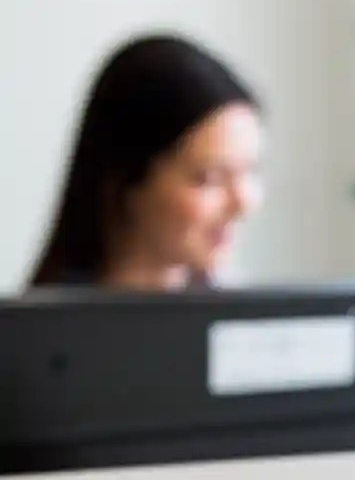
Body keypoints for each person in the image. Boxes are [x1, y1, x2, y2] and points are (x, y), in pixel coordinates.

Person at [28, 34, 263, 290]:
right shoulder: (34, 329)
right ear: (127, 182)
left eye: (250, 171)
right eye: (209, 178)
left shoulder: (248, 323)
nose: (244, 202)